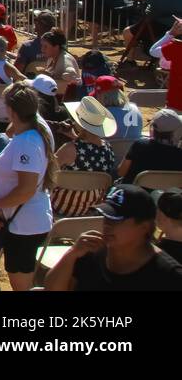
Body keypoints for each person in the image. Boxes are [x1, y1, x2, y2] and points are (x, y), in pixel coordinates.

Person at [46, 184, 182, 290]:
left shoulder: (168, 276)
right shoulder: (91, 252)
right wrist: (71, 254)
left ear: (144, 227)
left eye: (117, 219)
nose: (107, 225)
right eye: (106, 217)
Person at [0, 83, 56, 291]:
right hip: (27, 220)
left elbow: (25, 190)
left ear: (12, 110)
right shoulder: (34, 130)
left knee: (21, 285)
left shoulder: (27, 142)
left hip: (24, 224)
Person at [52, 96, 120, 217]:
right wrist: (75, 137)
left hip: (58, 207)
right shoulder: (108, 150)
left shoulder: (69, 149)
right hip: (86, 209)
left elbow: (47, 171)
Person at [117, 109, 182, 182]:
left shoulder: (139, 146)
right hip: (167, 192)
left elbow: (121, 172)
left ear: (153, 128)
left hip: (133, 191)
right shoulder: (179, 155)